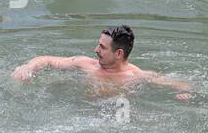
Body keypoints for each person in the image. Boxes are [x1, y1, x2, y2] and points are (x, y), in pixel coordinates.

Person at [11, 26, 193, 100]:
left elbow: (181, 84)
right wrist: (28, 68)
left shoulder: (138, 76)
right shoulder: (85, 64)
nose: (95, 50)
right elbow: (47, 60)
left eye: (102, 47)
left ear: (119, 53)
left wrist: (185, 92)